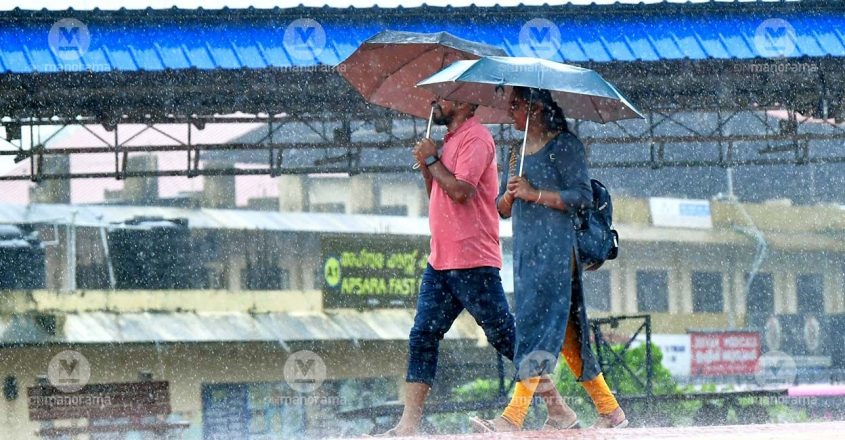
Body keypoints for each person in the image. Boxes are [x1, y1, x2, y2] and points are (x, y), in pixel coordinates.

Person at [374, 97, 573, 436]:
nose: (436, 102)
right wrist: (427, 166)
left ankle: (558, 408)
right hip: (441, 259)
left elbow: (462, 192)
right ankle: (408, 425)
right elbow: (438, 194)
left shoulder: (477, 139)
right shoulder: (449, 141)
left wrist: (432, 158)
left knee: (504, 335)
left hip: (472, 259)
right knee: (423, 335)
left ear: (467, 103)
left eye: (445, 95)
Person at [470, 87, 628, 432]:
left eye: (516, 104)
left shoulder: (565, 146)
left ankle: (513, 417)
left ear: (536, 108)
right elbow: (502, 208)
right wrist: (511, 195)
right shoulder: (516, 152)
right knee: (570, 335)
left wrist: (534, 193)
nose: (510, 111)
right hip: (526, 254)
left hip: (556, 253)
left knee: (532, 327)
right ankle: (609, 410)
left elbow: (582, 196)